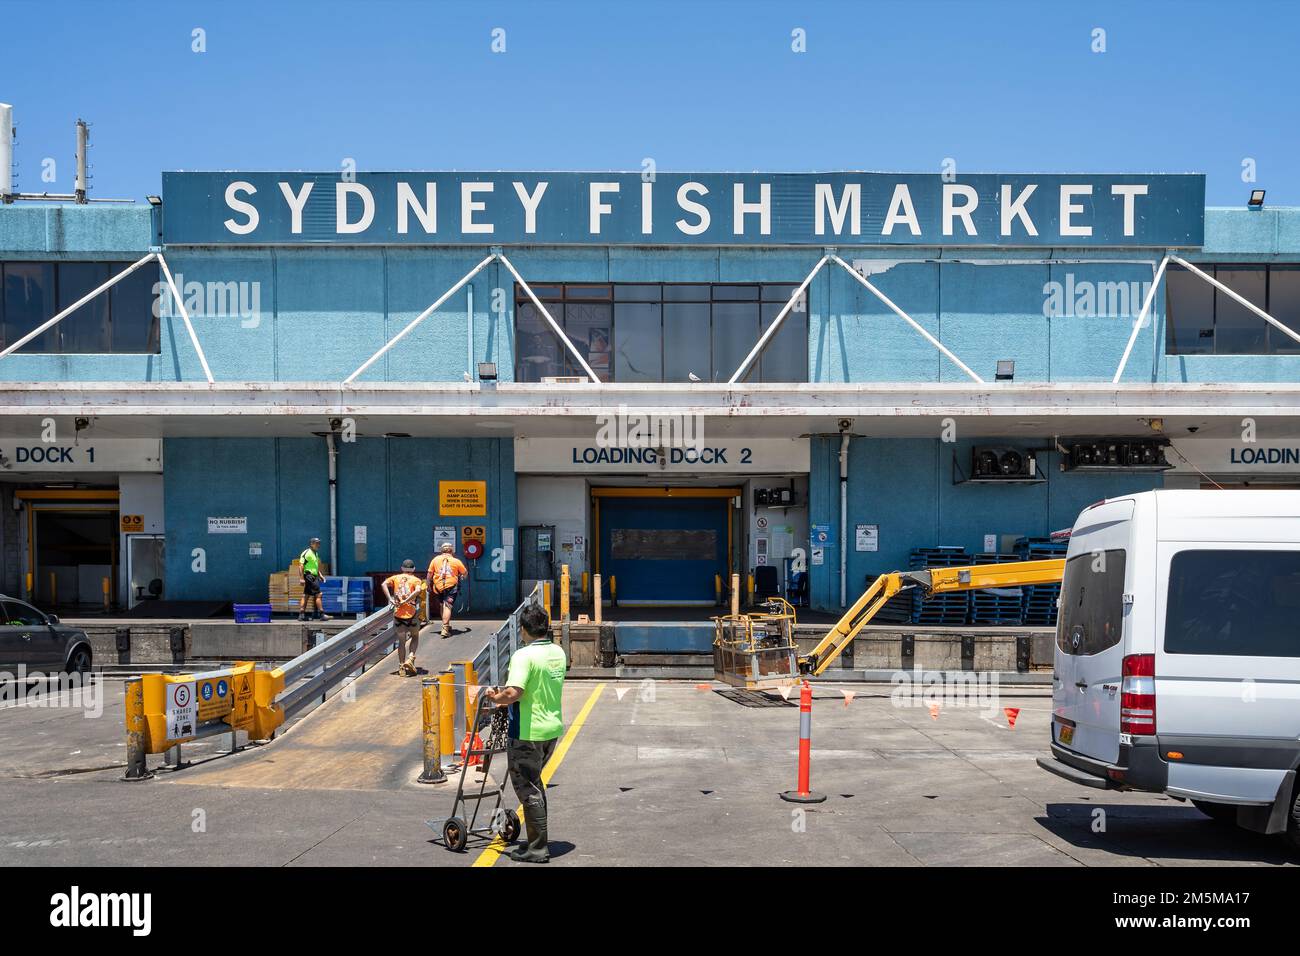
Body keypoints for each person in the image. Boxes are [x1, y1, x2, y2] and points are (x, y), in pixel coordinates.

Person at [485, 604, 565, 863]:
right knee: (535, 784)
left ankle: (538, 848)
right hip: (551, 729)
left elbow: (514, 692)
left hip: (527, 731)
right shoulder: (557, 652)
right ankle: (536, 841)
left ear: (523, 629)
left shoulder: (523, 656)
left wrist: (496, 697)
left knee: (527, 788)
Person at [382, 559, 426, 676]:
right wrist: (407, 600)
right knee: (415, 636)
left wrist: (390, 598)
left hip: (398, 614)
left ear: (402, 568)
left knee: (401, 642)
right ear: (414, 569)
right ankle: (411, 658)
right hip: (411, 613)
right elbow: (418, 591)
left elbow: (383, 584)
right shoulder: (416, 580)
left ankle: (401, 667)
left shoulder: (395, 578)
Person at [426, 542, 468, 638]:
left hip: (438, 587)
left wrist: (428, 585)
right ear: (452, 550)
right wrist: (462, 577)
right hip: (451, 587)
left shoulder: (435, 560)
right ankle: (445, 628)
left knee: (442, 605)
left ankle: (445, 625)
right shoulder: (456, 561)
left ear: (441, 550)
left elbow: (429, 574)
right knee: (447, 606)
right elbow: (465, 573)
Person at [297, 536, 331, 621]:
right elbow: (301, 566)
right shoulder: (306, 553)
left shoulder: (315, 553)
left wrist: (320, 575)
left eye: (319, 543)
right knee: (319, 594)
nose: (318, 545)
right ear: (311, 544)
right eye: (316, 543)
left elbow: (315, 567)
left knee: (306, 595)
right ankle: (322, 614)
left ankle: (301, 615)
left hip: (314, 576)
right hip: (309, 576)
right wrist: (301, 578)